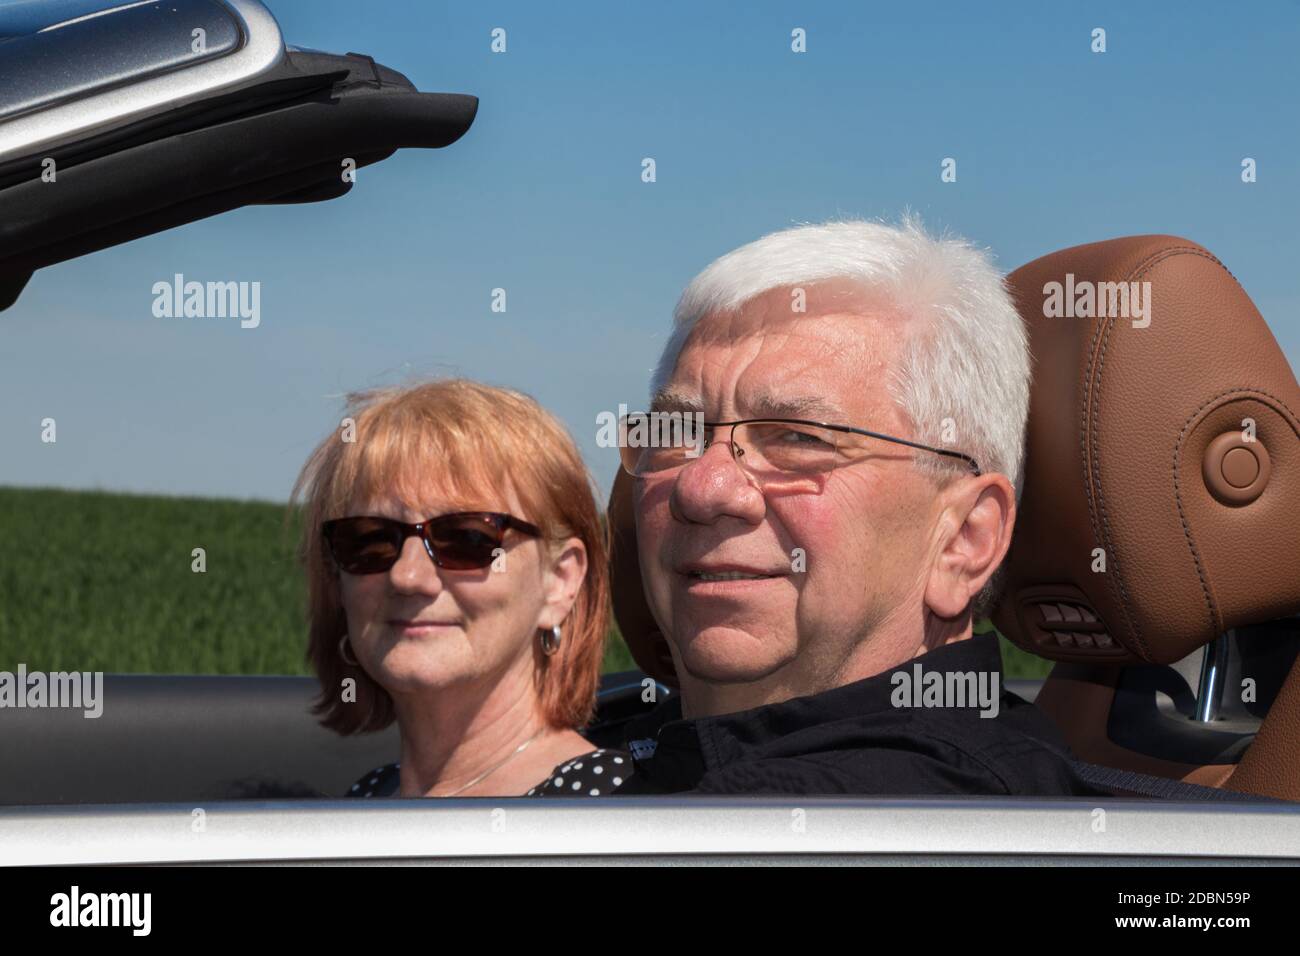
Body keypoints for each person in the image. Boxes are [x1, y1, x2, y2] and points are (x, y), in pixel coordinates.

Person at [614, 218, 1105, 796]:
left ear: (962, 541)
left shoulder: (890, 820)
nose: (703, 486)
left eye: (798, 438)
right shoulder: (619, 736)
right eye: (681, 430)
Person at [293, 378, 630, 797]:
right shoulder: (367, 799)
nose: (407, 576)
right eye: (370, 541)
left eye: (468, 539)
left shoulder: (610, 810)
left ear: (560, 580)